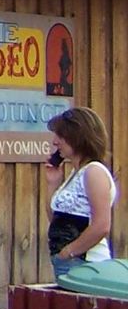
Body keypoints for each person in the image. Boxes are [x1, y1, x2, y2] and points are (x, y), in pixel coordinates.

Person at [44, 106, 117, 281]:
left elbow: (101, 225)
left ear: (77, 138)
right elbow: (55, 218)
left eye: (60, 136)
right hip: (68, 261)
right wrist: (52, 183)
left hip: (86, 263)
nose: (55, 142)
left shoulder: (94, 172)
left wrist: (69, 252)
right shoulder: (76, 173)